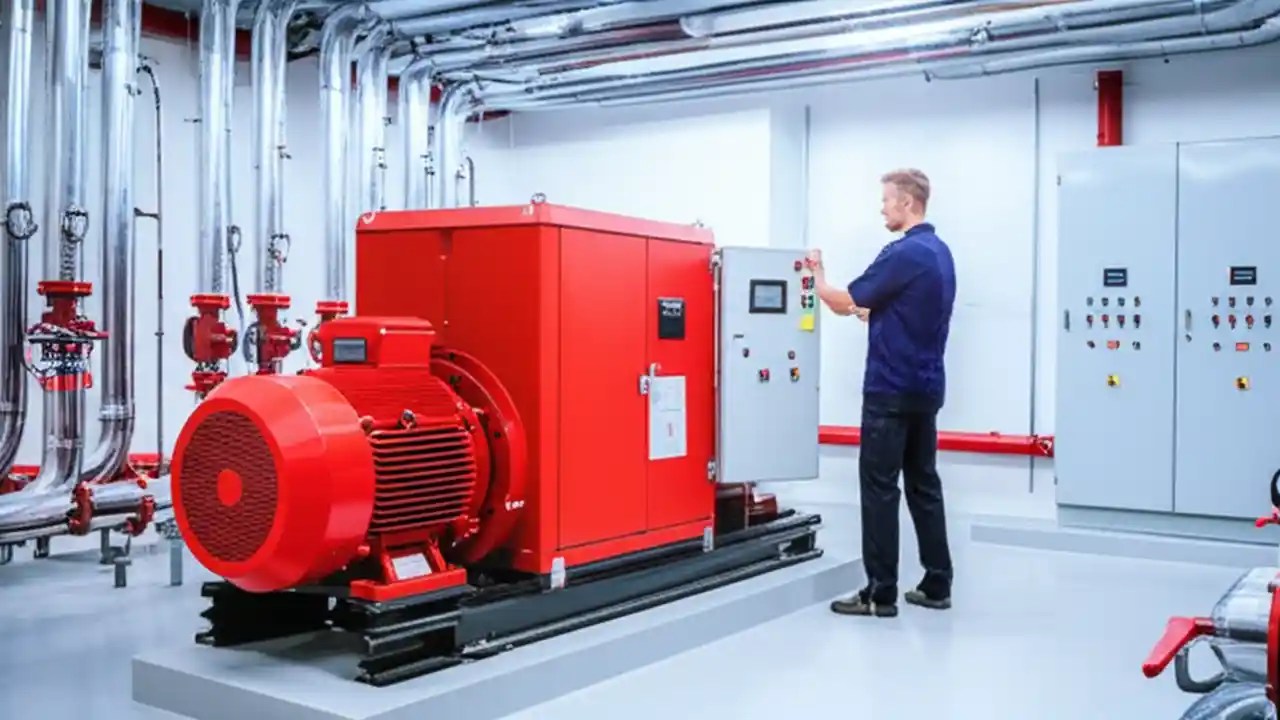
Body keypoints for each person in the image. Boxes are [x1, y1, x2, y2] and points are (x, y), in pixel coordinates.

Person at [806, 168, 956, 618]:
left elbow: (840, 299)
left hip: (889, 391)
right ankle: (936, 583)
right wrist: (871, 313)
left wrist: (815, 274)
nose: (882, 208)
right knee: (923, 484)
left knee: (879, 488)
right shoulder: (940, 253)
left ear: (907, 203)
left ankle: (880, 592)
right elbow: (903, 310)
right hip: (925, 390)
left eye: (887, 200)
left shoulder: (902, 252)